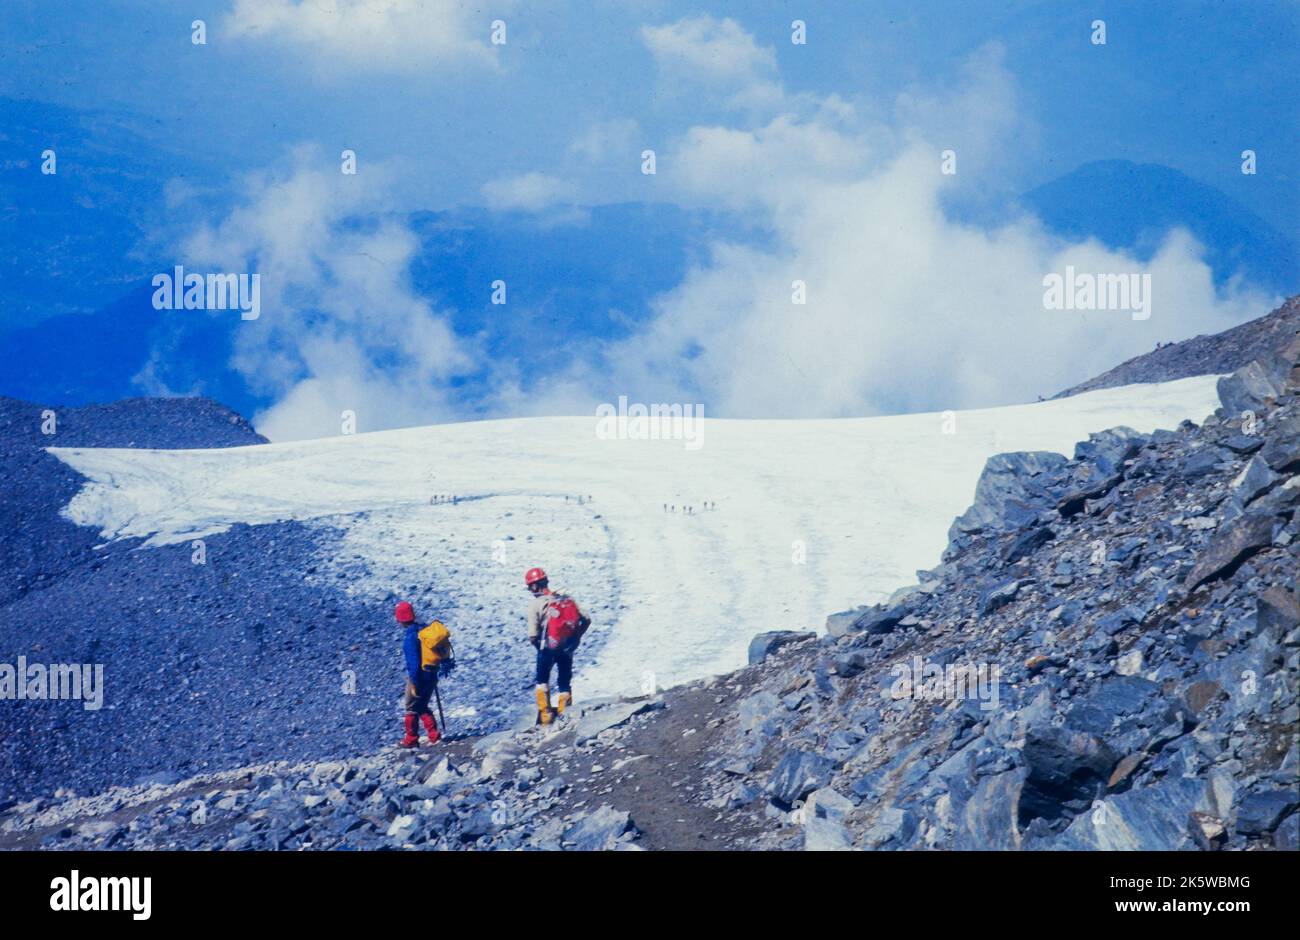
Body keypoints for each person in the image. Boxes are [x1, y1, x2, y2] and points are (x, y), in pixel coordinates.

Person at [524, 567, 591, 725]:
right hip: (567, 648)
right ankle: (565, 715)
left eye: (529, 587)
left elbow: (533, 635)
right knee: (564, 682)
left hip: (546, 648)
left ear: (534, 586)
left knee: (542, 680)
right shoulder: (565, 598)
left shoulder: (536, 604)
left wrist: (541, 648)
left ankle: (546, 716)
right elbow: (587, 619)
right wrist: (576, 638)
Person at [395, 601, 453, 747]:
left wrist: (414, 682)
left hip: (419, 676)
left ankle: (411, 739)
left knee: (411, 707)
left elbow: (414, 663)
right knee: (422, 705)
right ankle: (434, 736)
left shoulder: (410, 638)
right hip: (432, 674)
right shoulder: (424, 630)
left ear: (400, 619)